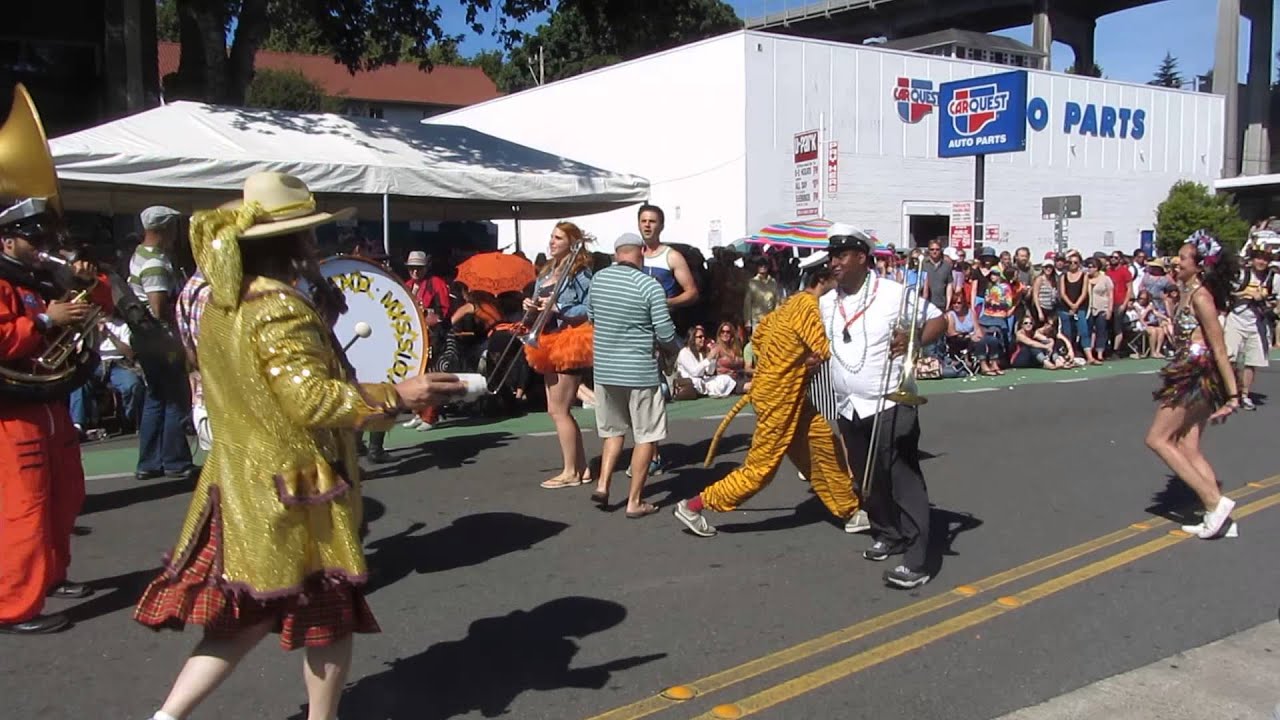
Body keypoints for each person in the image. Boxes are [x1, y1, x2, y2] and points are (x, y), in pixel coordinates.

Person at [133, 171, 468, 720]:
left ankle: (167, 718)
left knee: (245, 618)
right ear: (288, 242)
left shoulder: (219, 302)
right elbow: (310, 400)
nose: (316, 245)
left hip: (239, 483)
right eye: (309, 235)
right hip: (296, 491)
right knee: (329, 615)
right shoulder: (278, 307)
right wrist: (400, 394)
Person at [675, 265, 860, 537]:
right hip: (779, 398)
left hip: (784, 393)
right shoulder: (808, 307)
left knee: (823, 442)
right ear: (823, 280)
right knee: (761, 470)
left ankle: (851, 509)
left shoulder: (788, 304)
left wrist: (785, 362)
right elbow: (823, 350)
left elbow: (759, 339)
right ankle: (694, 505)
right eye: (836, 277)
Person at [820, 223, 946, 589]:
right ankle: (888, 533)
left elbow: (940, 319)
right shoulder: (828, 301)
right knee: (867, 477)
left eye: (841, 255)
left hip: (890, 400)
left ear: (861, 257)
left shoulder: (893, 294)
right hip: (848, 404)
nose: (834, 262)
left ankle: (918, 560)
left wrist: (915, 339)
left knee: (903, 479)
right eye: (832, 256)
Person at [1145, 231, 1241, 540]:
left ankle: (1215, 502)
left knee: (1158, 439)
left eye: (1184, 258)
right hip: (1187, 370)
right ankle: (1222, 519)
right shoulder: (1186, 291)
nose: (1177, 262)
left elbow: (1219, 348)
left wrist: (1234, 394)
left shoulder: (1201, 296)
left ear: (1199, 265)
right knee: (1187, 445)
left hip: (1195, 375)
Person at [586, 233, 680, 516]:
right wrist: (676, 347)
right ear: (641, 252)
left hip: (605, 368)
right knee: (646, 435)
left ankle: (603, 484)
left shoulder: (598, 280)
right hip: (639, 371)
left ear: (616, 254)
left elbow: (591, 316)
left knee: (612, 431)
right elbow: (665, 333)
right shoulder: (649, 285)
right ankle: (634, 501)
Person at [523, 222, 595, 489]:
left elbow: (589, 306)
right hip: (546, 340)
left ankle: (570, 472)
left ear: (571, 243)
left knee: (558, 410)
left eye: (558, 238)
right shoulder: (546, 272)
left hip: (570, 340)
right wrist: (530, 306)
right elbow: (538, 307)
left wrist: (560, 307)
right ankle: (582, 467)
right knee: (557, 409)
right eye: (552, 237)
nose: (552, 242)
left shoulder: (579, 272)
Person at [130, 205, 196, 480]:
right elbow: (158, 307)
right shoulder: (156, 262)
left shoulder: (138, 255)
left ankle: (149, 461)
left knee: (155, 399)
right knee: (174, 399)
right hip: (161, 338)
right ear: (163, 229)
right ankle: (175, 460)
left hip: (143, 338)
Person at [637, 204, 699, 476]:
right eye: (644, 221)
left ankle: (653, 452)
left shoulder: (671, 257)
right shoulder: (632, 255)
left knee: (656, 392)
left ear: (661, 226)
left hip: (661, 333)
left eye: (652, 221)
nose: (647, 225)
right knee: (639, 394)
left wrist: (665, 302)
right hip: (636, 332)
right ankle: (649, 451)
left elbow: (692, 292)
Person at [1223, 248, 1277, 409]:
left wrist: (1267, 301)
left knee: (1252, 361)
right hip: (1237, 319)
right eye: (1259, 258)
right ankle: (1230, 392)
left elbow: (1276, 303)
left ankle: (1245, 395)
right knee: (1229, 357)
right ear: (1252, 260)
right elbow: (1227, 292)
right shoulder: (1241, 275)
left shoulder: (1273, 278)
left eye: (1265, 259)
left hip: (1258, 323)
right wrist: (1245, 294)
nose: (1262, 262)